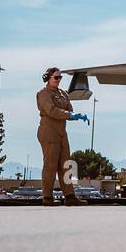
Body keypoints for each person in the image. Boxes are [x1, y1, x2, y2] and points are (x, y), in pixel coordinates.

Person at [36, 67, 86, 206]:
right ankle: (47, 197)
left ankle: (70, 196)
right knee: (50, 165)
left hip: (61, 132)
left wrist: (72, 114)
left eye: (60, 78)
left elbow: (69, 108)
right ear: (48, 78)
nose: (58, 80)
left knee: (67, 164)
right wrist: (69, 114)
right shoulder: (43, 93)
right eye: (56, 77)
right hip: (49, 131)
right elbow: (51, 110)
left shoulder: (63, 93)